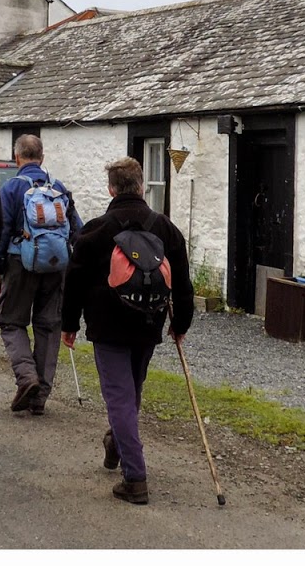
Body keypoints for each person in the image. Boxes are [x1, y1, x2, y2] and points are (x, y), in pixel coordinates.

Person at [62, 156, 194, 506]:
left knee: (120, 398)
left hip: (107, 325)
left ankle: (135, 477)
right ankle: (118, 442)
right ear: (140, 186)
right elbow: (182, 280)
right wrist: (180, 323)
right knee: (131, 392)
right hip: (148, 323)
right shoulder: (164, 228)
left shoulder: (95, 229)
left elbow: (74, 281)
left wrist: (69, 324)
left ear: (111, 189)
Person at [0, 134, 82, 416]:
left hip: (20, 263)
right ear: (42, 157)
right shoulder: (59, 188)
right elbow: (77, 229)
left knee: (11, 322)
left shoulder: (13, 188)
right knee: (49, 325)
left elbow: (2, 231)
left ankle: (27, 376)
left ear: (17, 158)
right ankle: (39, 396)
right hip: (57, 265)